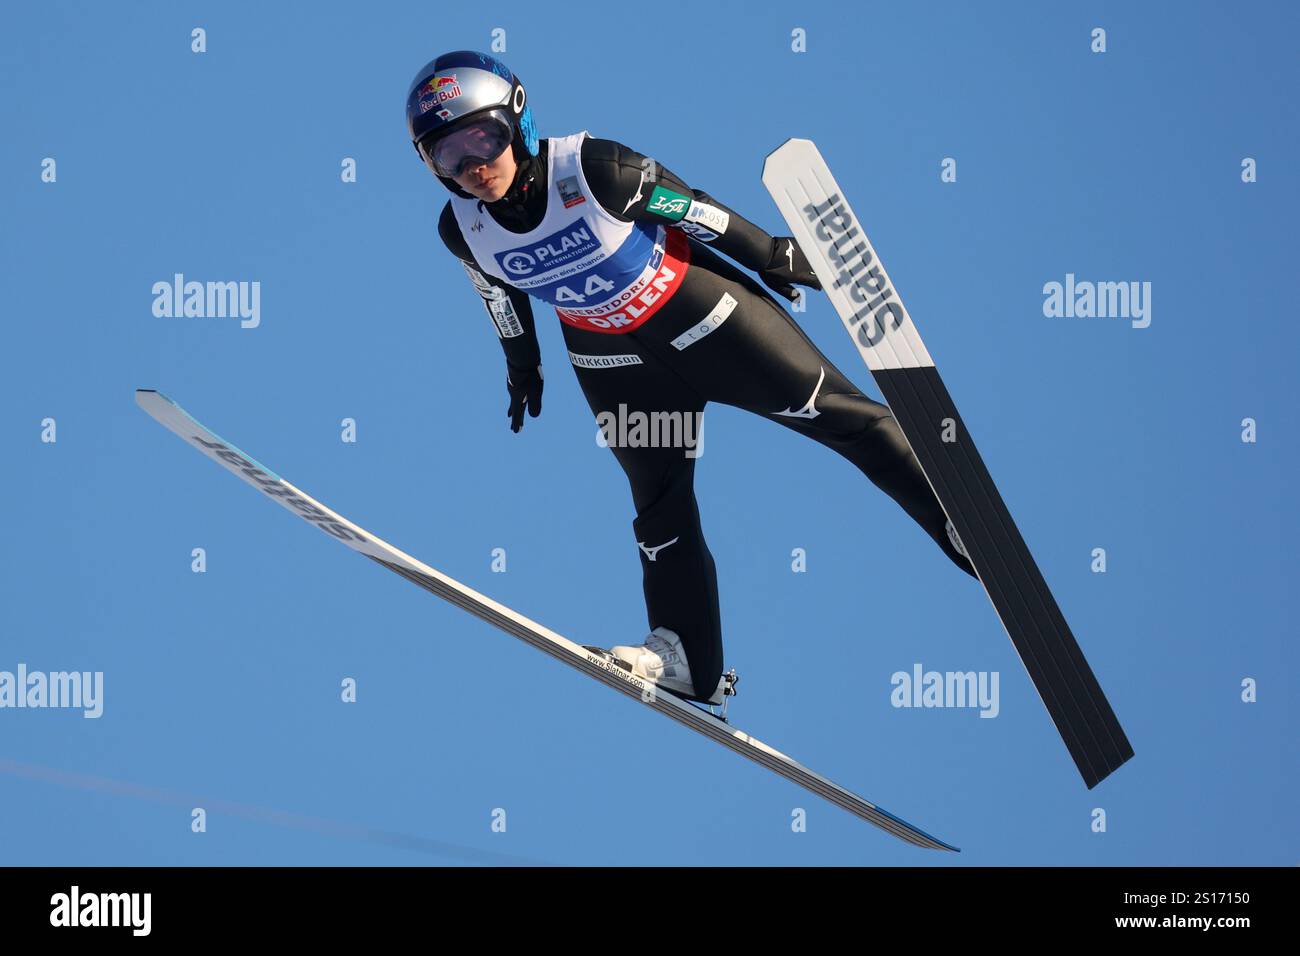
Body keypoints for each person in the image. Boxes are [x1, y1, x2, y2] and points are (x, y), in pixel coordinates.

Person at [407, 51, 976, 706]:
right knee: (659, 504)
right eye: (447, 156)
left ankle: (958, 523)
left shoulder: (594, 169)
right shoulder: (463, 230)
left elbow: (692, 209)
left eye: (481, 138)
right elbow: (498, 297)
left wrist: (773, 256)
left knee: (844, 417)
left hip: (704, 320)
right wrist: (523, 367)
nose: (473, 166)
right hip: (614, 362)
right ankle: (686, 659)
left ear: (518, 120)